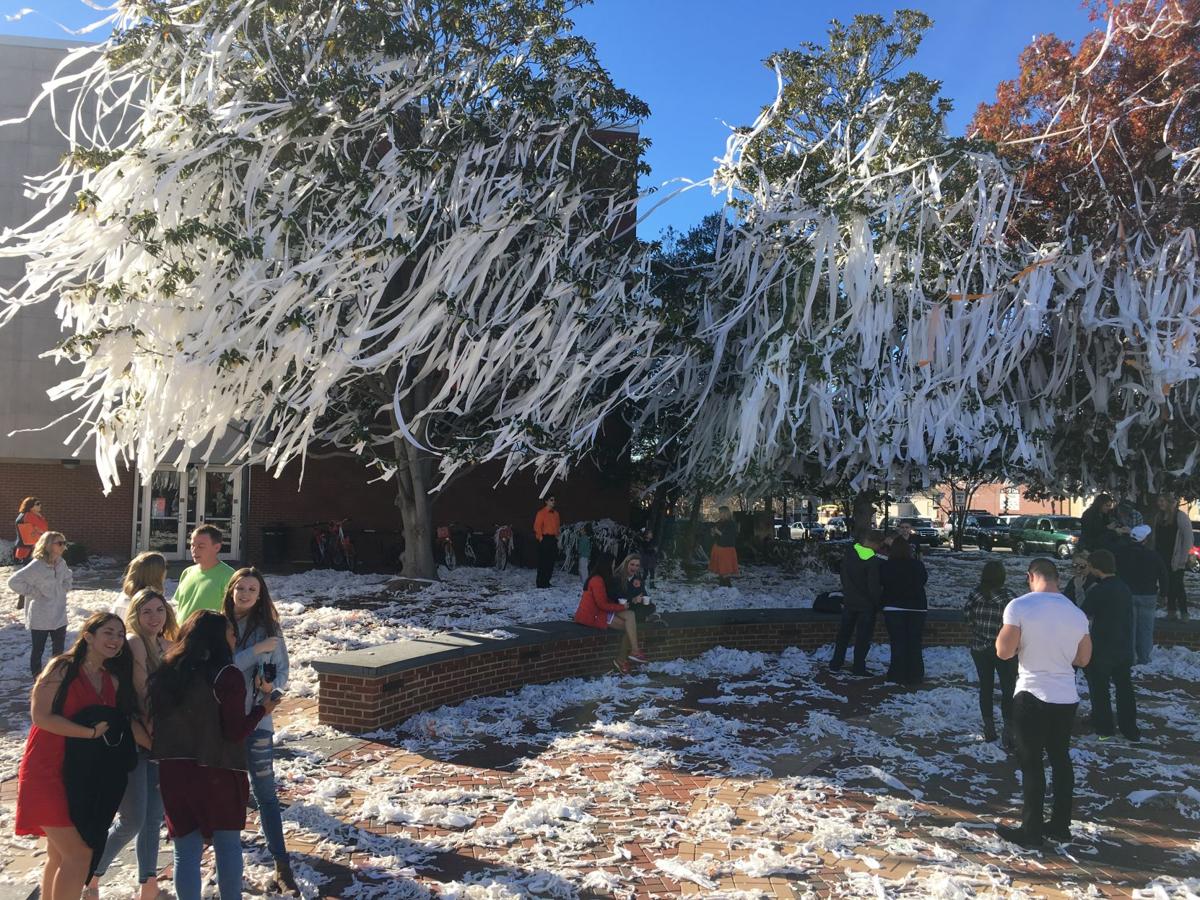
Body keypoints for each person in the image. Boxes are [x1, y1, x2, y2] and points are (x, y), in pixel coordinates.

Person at [150, 610, 279, 900]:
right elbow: (234, 731)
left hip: (174, 770)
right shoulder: (227, 674)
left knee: (185, 850)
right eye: (231, 634)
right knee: (228, 844)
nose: (235, 639)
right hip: (218, 769)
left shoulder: (168, 671)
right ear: (218, 638)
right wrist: (263, 709)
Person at [16, 612, 138, 900]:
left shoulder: (112, 681)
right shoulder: (63, 668)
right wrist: (88, 734)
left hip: (78, 775)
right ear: (88, 636)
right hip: (45, 770)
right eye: (108, 632)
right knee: (79, 855)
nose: (115, 640)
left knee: (59, 854)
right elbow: (40, 717)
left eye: (120, 635)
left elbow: (123, 723)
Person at [87, 588, 179, 900]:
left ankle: (148, 885)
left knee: (153, 818)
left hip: (160, 739)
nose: (154, 617)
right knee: (133, 819)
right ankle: (90, 876)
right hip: (136, 739)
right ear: (136, 616)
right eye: (146, 612)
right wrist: (154, 734)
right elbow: (142, 693)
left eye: (159, 610)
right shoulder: (136, 643)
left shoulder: (165, 643)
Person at [994, 558, 1092, 848]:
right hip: (1065, 696)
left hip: (1031, 693)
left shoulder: (1019, 606)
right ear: (1057, 578)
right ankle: (1061, 825)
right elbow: (1083, 659)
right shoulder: (1076, 613)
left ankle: (1031, 830)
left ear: (1030, 577)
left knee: (1032, 763)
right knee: (1061, 759)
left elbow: (1003, 652)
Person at [224, 568, 300, 895]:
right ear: (230, 590)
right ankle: (227, 861)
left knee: (265, 794)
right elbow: (221, 668)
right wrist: (253, 653)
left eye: (251, 589)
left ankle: (281, 864)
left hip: (257, 722)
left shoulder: (270, 629)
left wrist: (272, 688)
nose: (244, 594)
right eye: (240, 587)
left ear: (260, 595)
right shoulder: (218, 626)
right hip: (223, 724)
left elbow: (283, 673)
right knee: (226, 794)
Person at [1081, 549, 1140, 742]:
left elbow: (1083, 614)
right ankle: (1130, 728)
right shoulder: (1124, 587)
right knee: (1124, 688)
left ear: (1095, 567)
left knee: (1100, 689)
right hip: (1123, 645)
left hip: (1102, 647)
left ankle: (1104, 728)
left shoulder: (1099, 591)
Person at [964, 560, 1018, 746]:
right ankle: (1009, 729)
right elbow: (1016, 624)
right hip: (1004, 649)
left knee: (985, 687)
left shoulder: (975, 594)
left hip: (979, 647)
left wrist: (978, 631)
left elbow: (967, 617)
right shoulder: (1009, 597)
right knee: (1008, 687)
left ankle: (989, 727)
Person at [9, 531, 73, 677]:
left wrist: (65, 587)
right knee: (38, 650)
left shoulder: (61, 562)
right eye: (60, 543)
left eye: (64, 543)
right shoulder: (37, 565)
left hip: (59, 614)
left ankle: (56, 677)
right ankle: (37, 680)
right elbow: (13, 582)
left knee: (58, 651)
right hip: (41, 616)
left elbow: (68, 576)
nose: (63, 546)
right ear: (49, 545)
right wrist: (34, 593)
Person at [574, 556, 647, 675]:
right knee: (629, 628)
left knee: (630, 616)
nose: (613, 567)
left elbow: (609, 598)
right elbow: (601, 604)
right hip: (593, 615)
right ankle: (622, 658)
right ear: (606, 566)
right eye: (612, 564)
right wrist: (622, 607)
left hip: (601, 611)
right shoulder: (597, 580)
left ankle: (633, 651)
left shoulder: (603, 578)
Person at [831, 530, 883, 676]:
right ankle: (859, 666)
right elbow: (873, 586)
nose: (879, 548)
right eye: (879, 544)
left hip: (849, 600)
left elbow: (843, 577)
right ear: (874, 543)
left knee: (843, 635)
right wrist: (877, 602)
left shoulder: (850, 555)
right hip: (866, 605)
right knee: (863, 637)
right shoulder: (872, 561)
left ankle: (836, 662)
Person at [1113, 524, 1167, 666]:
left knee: (1129, 628)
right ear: (1145, 540)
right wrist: (1164, 594)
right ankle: (1144, 658)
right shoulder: (1153, 556)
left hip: (1127, 594)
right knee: (1146, 629)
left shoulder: (1121, 553)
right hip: (1148, 595)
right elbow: (1163, 575)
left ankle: (1130, 658)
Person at [878, 538, 927, 685]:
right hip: (917, 607)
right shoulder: (917, 565)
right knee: (914, 642)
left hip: (894, 607)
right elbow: (923, 580)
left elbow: (882, 582)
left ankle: (896, 673)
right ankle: (915, 674)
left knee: (897, 642)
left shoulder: (887, 566)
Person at [173, 524, 235, 622]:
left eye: (201, 546)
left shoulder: (229, 576)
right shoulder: (187, 572)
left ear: (217, 547)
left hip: (207, 635)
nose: (194, 550)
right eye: (192, 545)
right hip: (180, 635)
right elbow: (178, 606)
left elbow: (232, 613)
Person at [1153, 493, 1193, 620]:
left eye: (1163, 501)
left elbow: (1188, 539)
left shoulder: (1180, 516)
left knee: (1177, 585)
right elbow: (1156, 536)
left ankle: (1184, 612)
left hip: (1175, 557)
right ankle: (1171, 611)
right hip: (1161, 555)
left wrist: (1183, 558)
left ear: (1170, 502)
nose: (1160, 503)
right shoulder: (1159, 517)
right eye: (1159, 501)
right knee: (1166, 583)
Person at [13, 496, 48, 610]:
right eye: (37, 504)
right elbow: (44, 528)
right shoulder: (30, 516)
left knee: (30, 575)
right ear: (30, 506)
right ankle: (25, 600)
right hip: (31, 549)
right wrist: (40, 519)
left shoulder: (23, 515)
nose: (40, 506)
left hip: (27, 549)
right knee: (31, 575)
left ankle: (23, 600)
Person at [112, 551, 169, 621]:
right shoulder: (146, 603)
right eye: (165, 567)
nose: (166, 572)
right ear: (155, 574)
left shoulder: (126, 597)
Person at [614, 553, 659, 625]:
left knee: (651, 606)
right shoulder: (618, 577)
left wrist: (644, 598)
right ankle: (643, 619)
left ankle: (640, 619)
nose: (634, 567)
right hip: (620, 607)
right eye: (632, 564)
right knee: (633, 612)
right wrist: (632, 599)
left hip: (633, 606)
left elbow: (643, 594)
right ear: (626, 564)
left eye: (637, 565)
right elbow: (617, 597)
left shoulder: (637, 578)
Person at [533, 496, 561, 589]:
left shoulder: (556, 514)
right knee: (543, 562)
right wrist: (540, 538)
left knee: (551, 561)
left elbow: (557, 526)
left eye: (554, 500)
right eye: (551, 500)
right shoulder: (541, 513)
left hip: (553, 539)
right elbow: (537, 526)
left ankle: (547, 581)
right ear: (546, 501)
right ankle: (540, 583)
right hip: (545, 539)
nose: (553, 502)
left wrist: (557, 536)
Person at [708, 506, 739, 587]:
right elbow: (716, 536)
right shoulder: (719, 522)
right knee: (720, 569)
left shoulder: (731, 524)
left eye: (721, 512)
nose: (720, 514)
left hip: (727, 549)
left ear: (726, 513)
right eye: (719, 513)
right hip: (718, 547)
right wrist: (713, 533)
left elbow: (730, 537)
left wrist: (718, 532)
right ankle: (722, 586)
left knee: (726, 569)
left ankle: (728, 586)